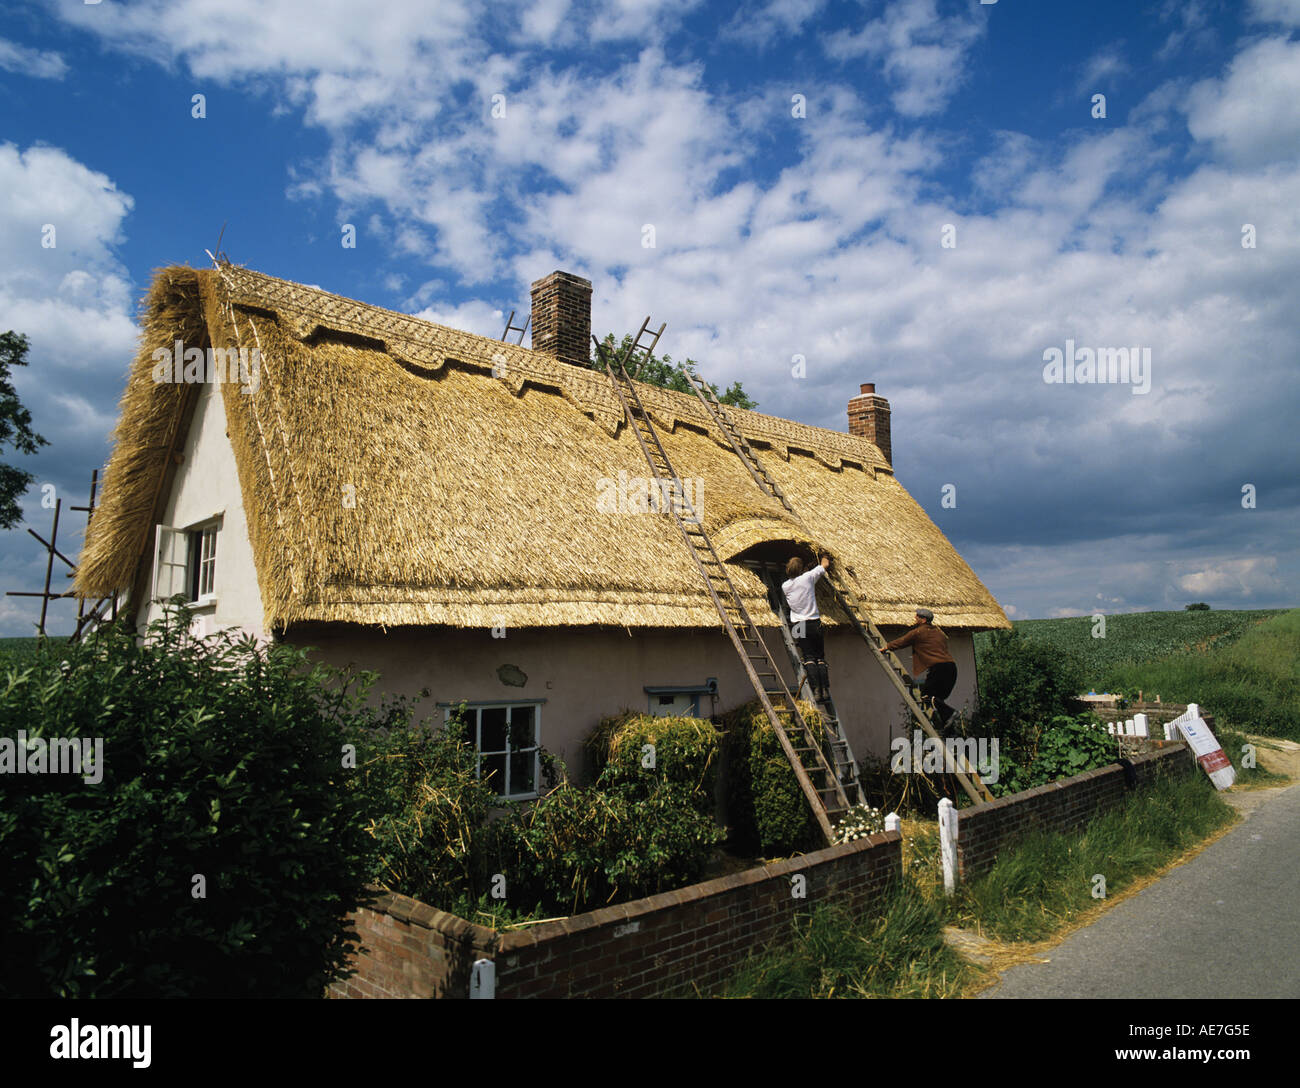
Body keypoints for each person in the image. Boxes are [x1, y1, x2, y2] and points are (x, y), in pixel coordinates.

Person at [885, 608, 958, 727]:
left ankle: (950, 714)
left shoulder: (918, 632)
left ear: (923, 620)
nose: (915, 618)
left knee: (926, 695)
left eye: (917, 617)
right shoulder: (939, 633)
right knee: (937, 700)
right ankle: (947, 727)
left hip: (939, 668)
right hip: (952, 668)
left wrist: (886, 647)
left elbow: (902, 641)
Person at [782, 554, 831, 702]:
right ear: (801, 569)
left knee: (808, 658)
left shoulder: (785, 586)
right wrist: (823, 556)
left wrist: (806, 569)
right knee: (820, 658)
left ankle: (816, 690)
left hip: (799, 625)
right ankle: (825, 690)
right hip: (813, 623)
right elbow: (825, 565)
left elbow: (799, 579)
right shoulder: (808, 578)